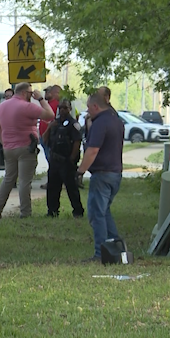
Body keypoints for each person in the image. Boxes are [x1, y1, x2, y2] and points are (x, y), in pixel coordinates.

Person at [0, 82, 54, 218]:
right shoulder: (27, 107)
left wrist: (4, 141)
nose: (32, 96)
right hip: (26, 147)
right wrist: (41, 99)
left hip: (8, 148)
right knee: (25, 182)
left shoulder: (2, 106)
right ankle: (25, 212)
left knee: (8, 179)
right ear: (24, 93)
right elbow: (50, 115)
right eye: (30, 93)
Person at [77, 93, 125, 262]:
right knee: (104, 213)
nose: (88, 111)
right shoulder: (116, 121)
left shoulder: (100, 123)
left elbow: (92, 150)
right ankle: (117, 248)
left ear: (96, 106)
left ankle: (100, 254)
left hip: (102, 174)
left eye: (89, 107)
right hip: (115, 173)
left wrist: (80, 171)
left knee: (97, 214)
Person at [42, 100, 84, 218]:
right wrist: (49, 127)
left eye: (65, 108)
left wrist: (71, 158)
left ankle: (78, 211)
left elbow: (77, 141)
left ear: (70, 109)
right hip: (54, 160)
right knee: (52, 187)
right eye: (60, 108)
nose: (62, 110)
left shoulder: (73, 124)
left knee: (71, 187)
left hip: (67, 161)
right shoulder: (54, 123)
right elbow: (45, 139)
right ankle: (52, 211)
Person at [38, 85, 61, 189]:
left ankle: (53, 182)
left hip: (50, 137)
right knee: (49, 160)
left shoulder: (57, 105)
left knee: (52, 160)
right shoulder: (47, 105)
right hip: (43, 136)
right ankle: (53, 181)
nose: (46, 94)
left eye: (48, 92)